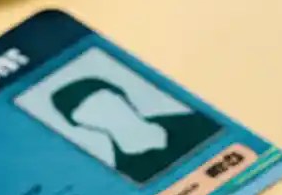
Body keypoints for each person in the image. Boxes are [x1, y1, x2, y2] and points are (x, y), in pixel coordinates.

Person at [50, 77, 220, 183]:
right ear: (81, 123)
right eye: (89, 110)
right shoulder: (128, 174)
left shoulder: (198, 121)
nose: (105, 110)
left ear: (122, 96)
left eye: (105, 99)